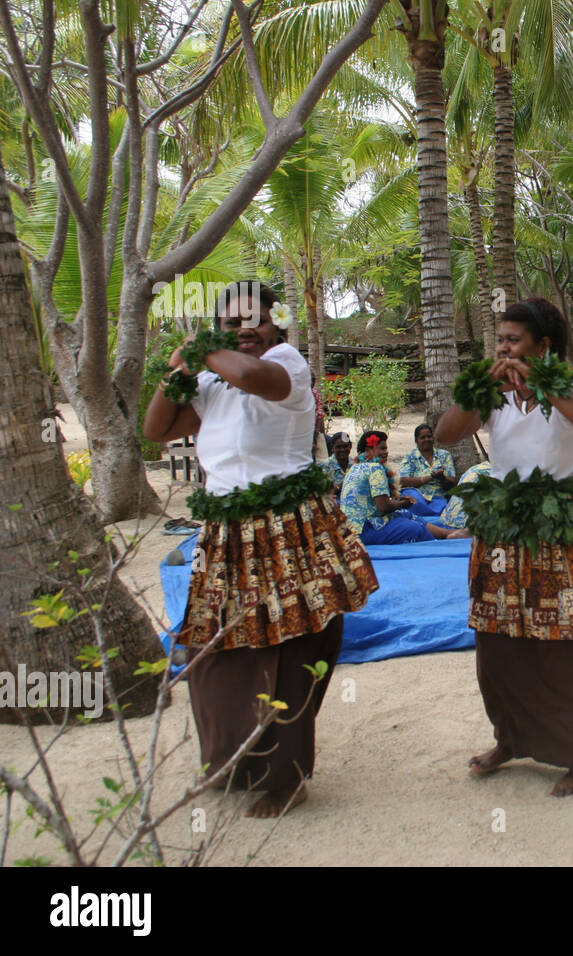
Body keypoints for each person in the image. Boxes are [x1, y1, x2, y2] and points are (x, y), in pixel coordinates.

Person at [142, 280, 379, 818]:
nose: (247, 329)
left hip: (286, 527)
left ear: (277, 324)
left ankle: (285, 775)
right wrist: (179, 369)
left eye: (257, 320)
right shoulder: (209, 379)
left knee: (292, 648)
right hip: (226, 535)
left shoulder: (287, 362)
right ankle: (235, 760)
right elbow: (157, 429)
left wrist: (207, 350)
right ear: (217, 330)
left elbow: (254, 378)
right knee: (217, 652)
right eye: (231, 323)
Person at [437, 297, 573, 797]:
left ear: (544, 345)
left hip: (561, 528)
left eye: (513, 341)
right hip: (502, 531)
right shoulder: (493, 392)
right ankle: (511, 737)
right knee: (500, 642)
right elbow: (448, 434)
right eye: (500, 340)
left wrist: (543, 387)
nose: (503, 349)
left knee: (571, 641)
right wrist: (483, 389)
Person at [339, 431, 448, 544]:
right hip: (363, 531)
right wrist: (403, 503)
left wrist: (399, 504)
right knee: (415, 528)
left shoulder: (354, 468)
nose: (386, 452)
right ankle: (438, 542)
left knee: (406, 514)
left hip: (349, 530)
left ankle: (445, 534)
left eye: (386, 448)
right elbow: (383, 507)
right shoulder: (375, 467)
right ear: (368, 450)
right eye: (382, 448)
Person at [397, 423, 457, 517]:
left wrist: (442, 478)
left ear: (433, 438)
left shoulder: (444, 455)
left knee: (442, 510)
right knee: (416, 504)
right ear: (416, 440)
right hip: (417, 493)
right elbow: (403, 481)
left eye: (429, 436)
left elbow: (453, 482)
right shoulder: (411, 457)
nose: (426, 440)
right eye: (422, 437)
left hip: (437, 496)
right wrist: (430, 477)